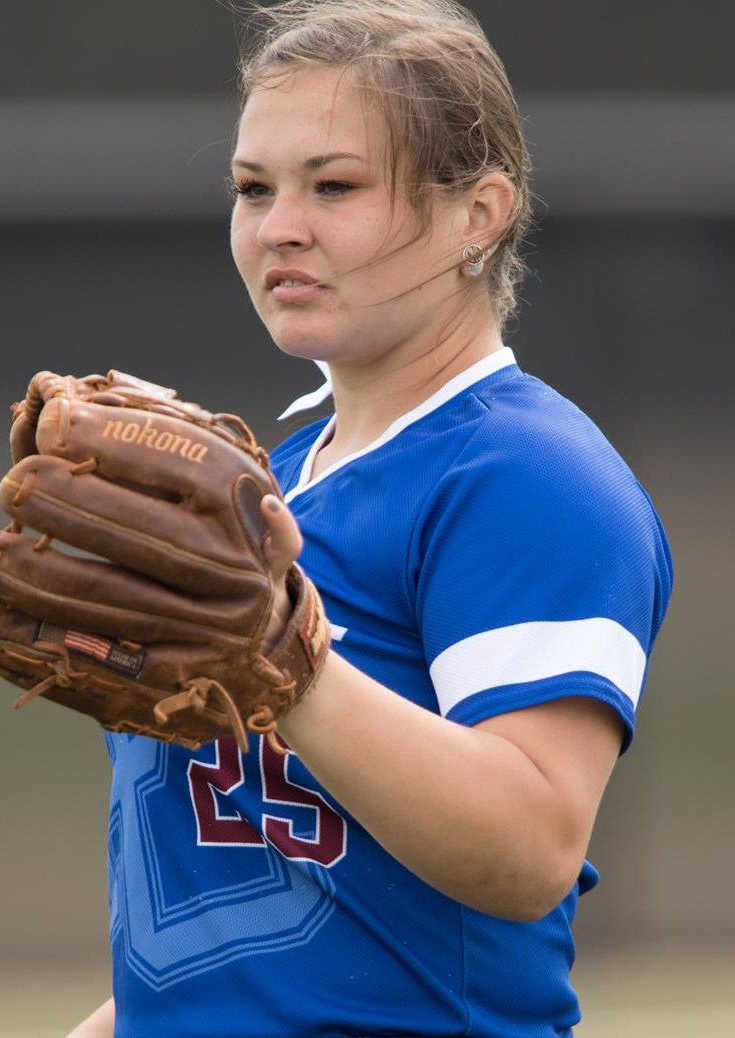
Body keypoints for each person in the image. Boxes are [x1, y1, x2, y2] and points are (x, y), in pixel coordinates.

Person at [68, 2, 671, 1035]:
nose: (279, 226)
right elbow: (242, 938)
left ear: (476, 214)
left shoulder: (522, 476)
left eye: (333, 185)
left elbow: (530, 847)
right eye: (252, 188)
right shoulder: (266, 489)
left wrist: (286, 660)